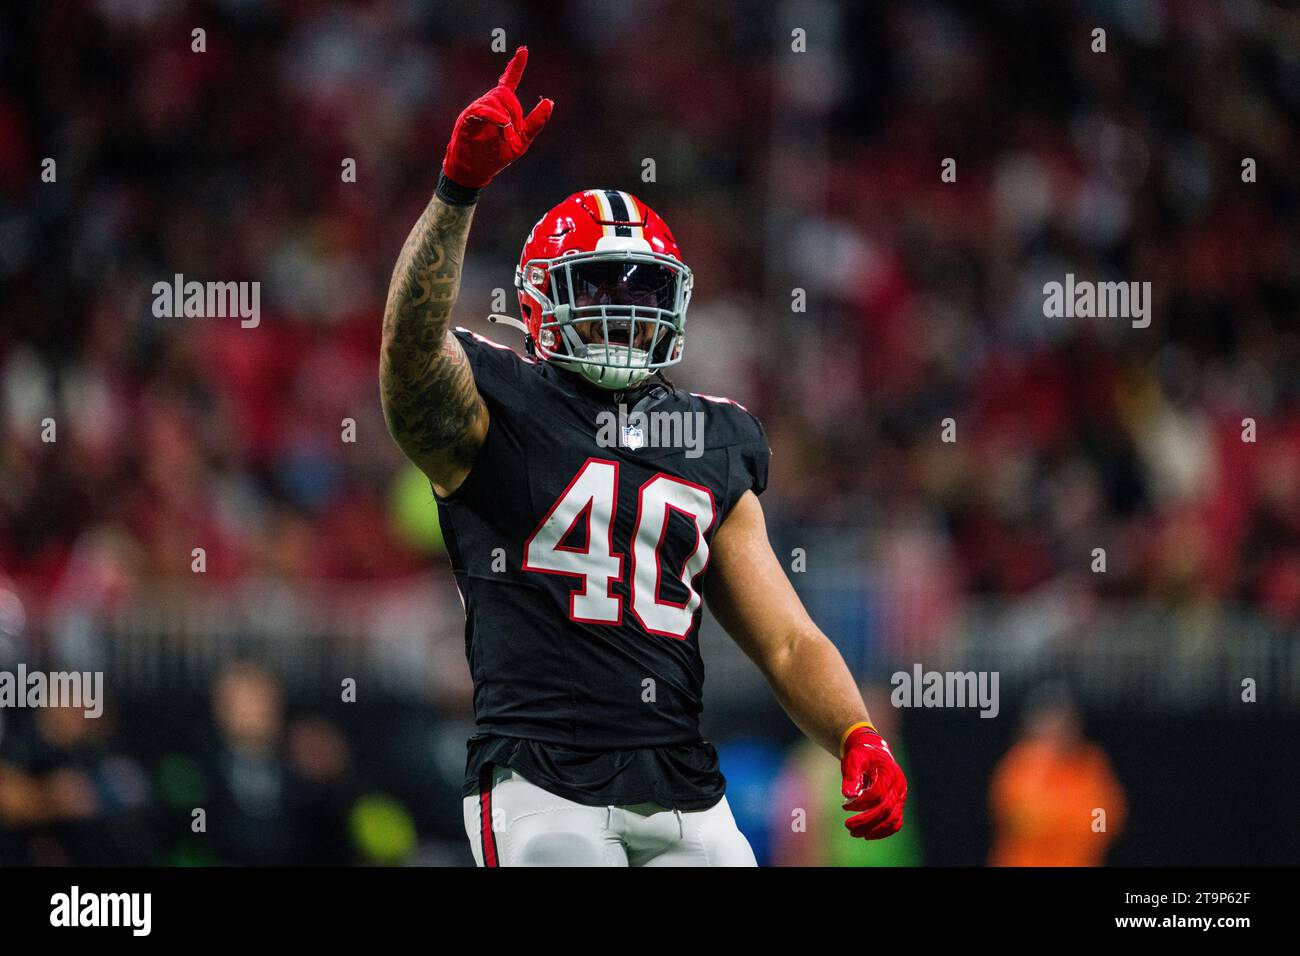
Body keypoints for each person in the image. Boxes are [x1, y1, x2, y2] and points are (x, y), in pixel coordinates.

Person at [379, 46, 907, 866]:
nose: (623, 306)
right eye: (596, 285)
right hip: (540, 781)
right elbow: (409, 358)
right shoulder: (499, 403)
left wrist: (855, 732)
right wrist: (458, 191)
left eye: (643, 287)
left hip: (684, 789)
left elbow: (786, 639)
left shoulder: (713, 437)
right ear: (539, 299)